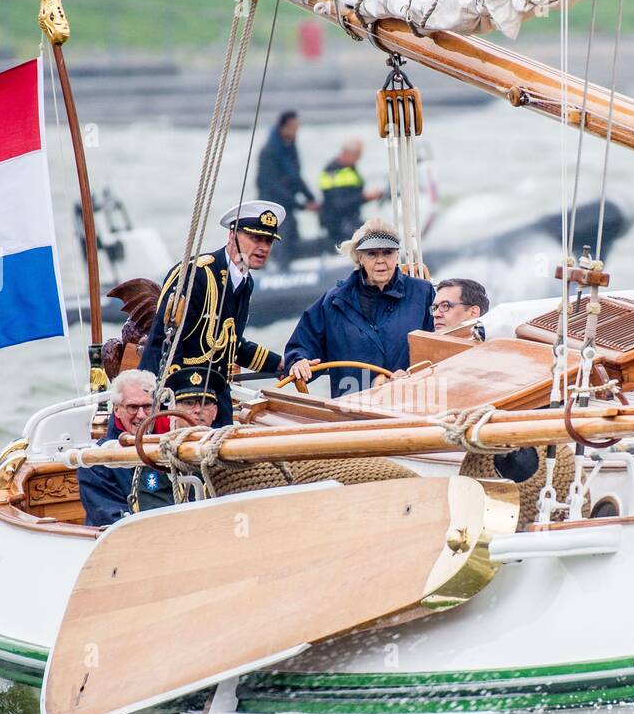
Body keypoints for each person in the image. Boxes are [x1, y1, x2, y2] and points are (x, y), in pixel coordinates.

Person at [138, 200, 285, 433]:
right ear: (232, 235)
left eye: (268, 241)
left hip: (216, 398)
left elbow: (229, 343)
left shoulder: (245, 281)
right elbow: (165, 343)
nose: (263, 247)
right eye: (255, 238)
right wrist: (167, 401)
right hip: (183, 400)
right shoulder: (197, 274)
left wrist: (281, 363)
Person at [283, 219, 435, 399]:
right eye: (372, 254)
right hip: (353, 409)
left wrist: (415, 375)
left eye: (387, 253)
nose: (381, 261)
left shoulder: (423, 293)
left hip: (412, 402)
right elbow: (303, 344)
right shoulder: (333, 301)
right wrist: (299, 361)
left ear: (396, 256)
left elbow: (443, 344)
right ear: (360, 258)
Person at [130, 367, 226, 513]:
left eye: (205, 403)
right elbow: (155, 516)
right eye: (189, 403)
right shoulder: (158, 458)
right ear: (173, 410)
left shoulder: (227, 453)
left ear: (215, 412)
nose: (198, 410)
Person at [78, 369, 157, 527]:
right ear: (116, 410)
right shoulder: (96, 460)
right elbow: (111, 519)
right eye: (133, 407)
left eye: (148, 406)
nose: (141, 415)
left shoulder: (170, 449)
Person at [256, 110, 318, 252]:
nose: (296, 131)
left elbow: (296, 177)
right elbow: (272, 186)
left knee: (293, 238)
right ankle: (279, 269)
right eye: (293, 127)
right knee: (281, 241)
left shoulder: (290, 147)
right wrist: (301, 205)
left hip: (288, 206)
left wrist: (310, 198)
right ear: (282, 127)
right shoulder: (269, 152)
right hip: (272, 208)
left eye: (297, 127)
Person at [318, 139, 382, 245]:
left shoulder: (350, 168)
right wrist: (365, 197)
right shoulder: (331, 171)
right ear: (346, 153)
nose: (358, 159)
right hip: (338, 223)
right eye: (357, 155)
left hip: (352, 218)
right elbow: (338, 204)